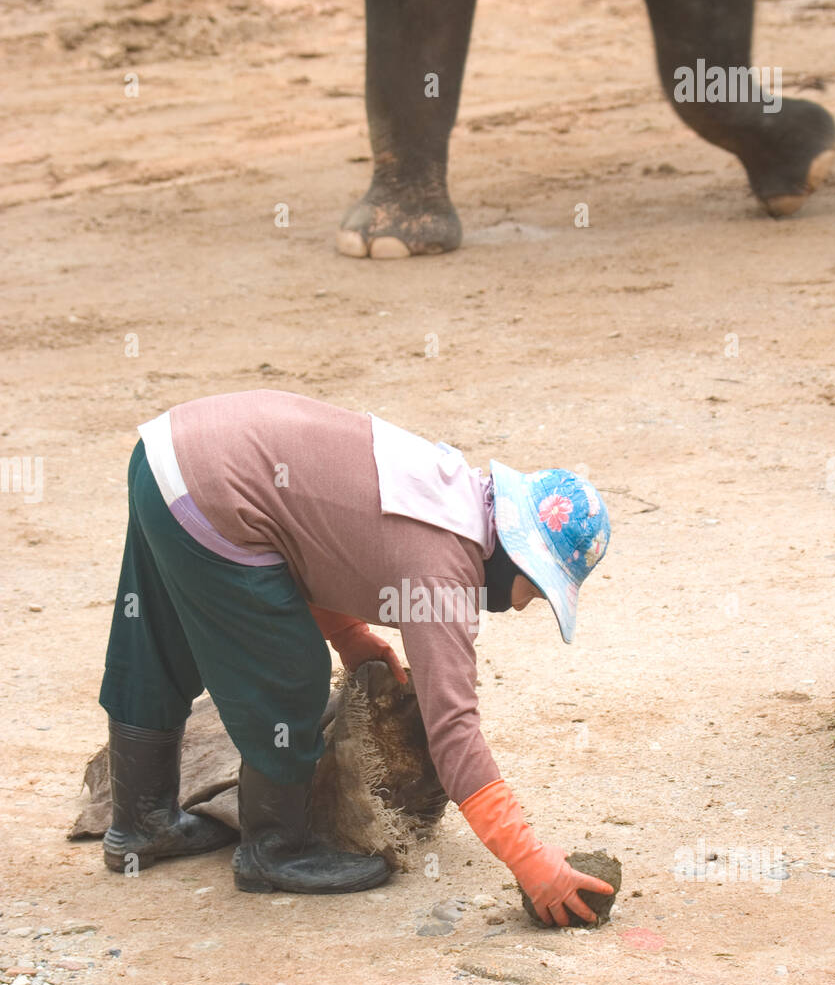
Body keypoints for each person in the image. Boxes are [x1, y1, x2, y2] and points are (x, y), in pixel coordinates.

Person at [99, 390, 613, 927]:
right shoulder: (444, 569)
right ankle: (275, 851)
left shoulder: (455, 491)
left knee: (154, 638)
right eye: (537, 587)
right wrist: (531, 861)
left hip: (170, 454)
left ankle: (141, 822)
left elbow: (307, 539)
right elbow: (454, 730)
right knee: (289, 669)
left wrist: (347, 634)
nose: (526, 602)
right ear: (516, 551)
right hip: (215, 488)